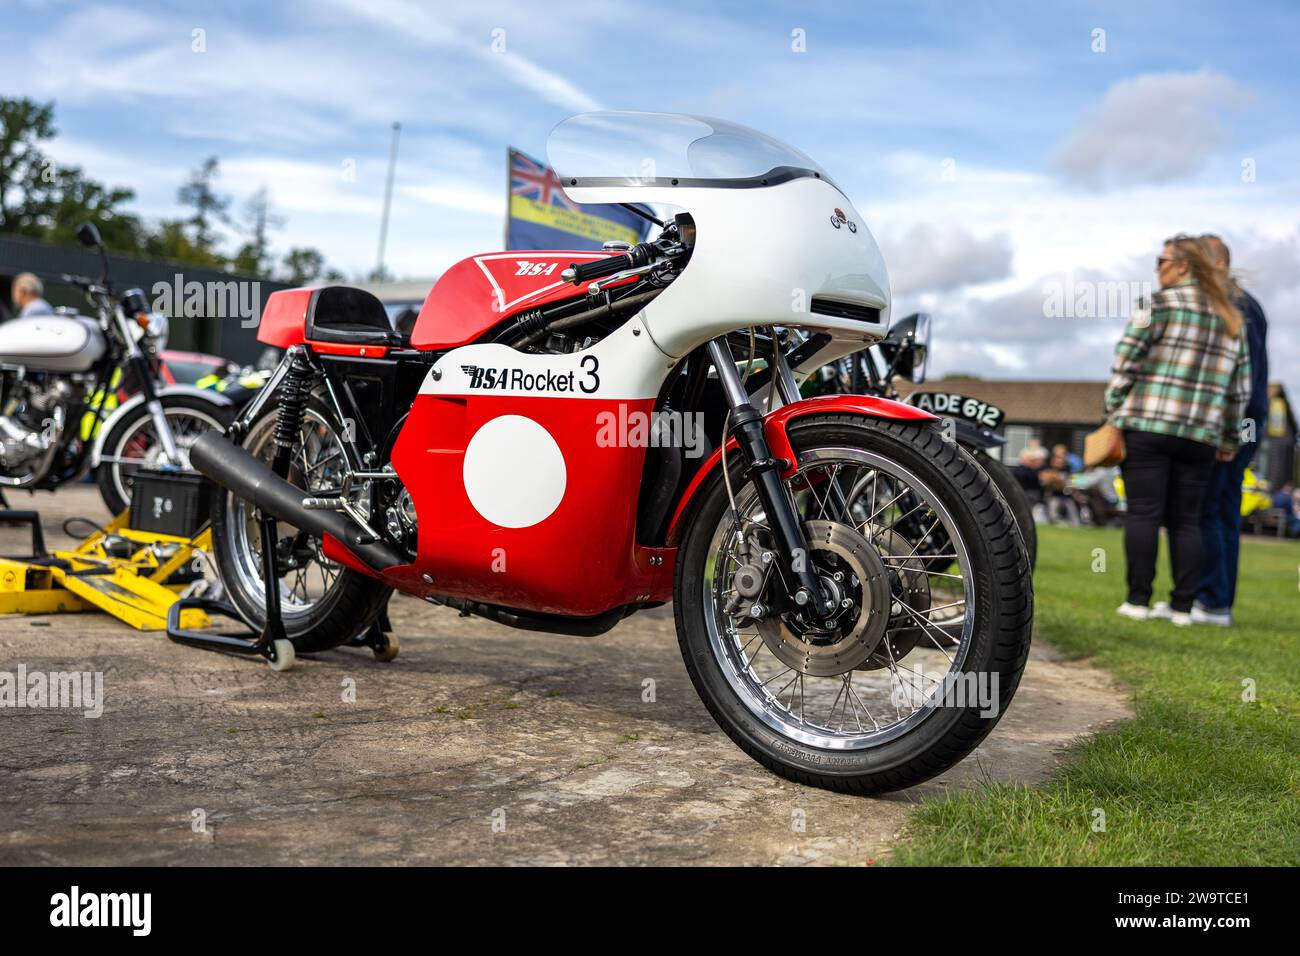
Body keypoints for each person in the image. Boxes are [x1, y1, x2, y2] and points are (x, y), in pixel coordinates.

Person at [1105, 234, 1251, 626]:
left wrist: (1114, 408)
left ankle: (1137, 600)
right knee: (1186, 521)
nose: (1157, 267)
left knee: (1144, 513)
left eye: (1162, 260)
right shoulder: (1230, 316)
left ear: (1183, 265)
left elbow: (1125, 363)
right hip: (1201, 435)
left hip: (1149, 424)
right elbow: (1239, 390)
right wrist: (1229, 439)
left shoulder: (1156, 304)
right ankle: (1184, 607)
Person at [1192, 235, 1269, 626]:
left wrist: (1228, 431)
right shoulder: (1245, 302)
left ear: (1216, 264)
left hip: (1238, 420)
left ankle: (1212, 599)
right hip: (1249, 419)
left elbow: (1240, 376)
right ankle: (1217, 599)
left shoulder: (1233, 305)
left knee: (1212, 507)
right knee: (1222, 508)